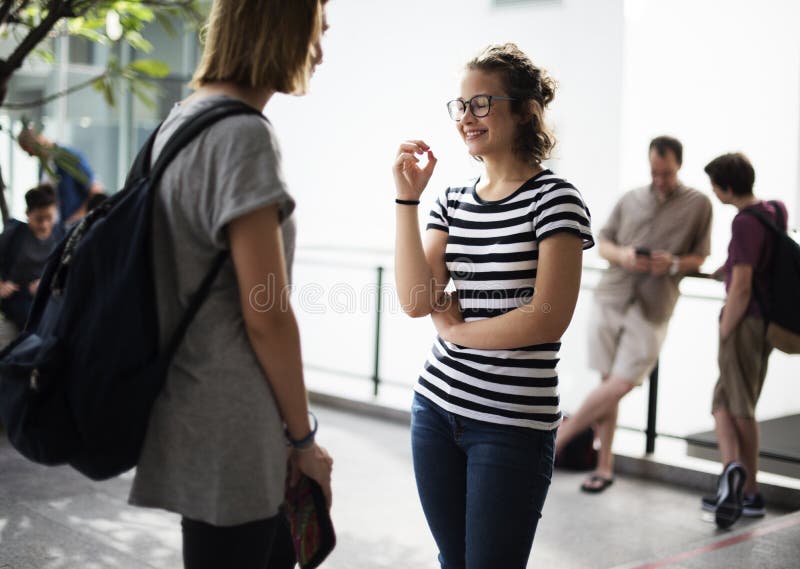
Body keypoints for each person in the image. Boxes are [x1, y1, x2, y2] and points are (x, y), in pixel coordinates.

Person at [127, 2, 333, 568]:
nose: (320, 51)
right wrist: (302, 440)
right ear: (283, 28)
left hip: (190, 403)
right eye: (318, 32)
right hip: (235, 424)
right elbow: (265, 313)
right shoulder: (242, 136)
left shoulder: (183, 119)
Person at [393, 43, 594, 568]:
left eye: (482, 103)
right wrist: (407, 200)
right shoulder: (452, 200)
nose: (466, 117)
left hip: (511, 426)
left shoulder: (555, 200)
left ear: (526, 110)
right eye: (460, 105)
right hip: (436, 411)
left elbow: (548, 317)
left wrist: (458, 333)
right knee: (452, 562)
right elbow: (417, 301)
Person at [555, 136, 713, 493]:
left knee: (622, 382)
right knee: (608, 382)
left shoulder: (699, 204)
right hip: (611, 296)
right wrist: (625, 256)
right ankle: (605, 467)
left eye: (667, 173)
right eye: (655, 172)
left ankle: (559, 439)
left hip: (654, 306)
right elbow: (602, 242)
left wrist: (672, 264)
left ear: (679, 166)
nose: (660, 179)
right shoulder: (630, 199)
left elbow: (700, 257)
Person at [700, 152, 788, 529]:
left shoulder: (742, 223)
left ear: (726, 187)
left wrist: (725, 328)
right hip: (766, 320)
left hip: (744, 323)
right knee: (723, 401)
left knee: (740, 406)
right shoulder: (774, 210)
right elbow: (753, 262)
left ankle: (748, 489)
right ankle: (731, 476)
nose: (714, 193)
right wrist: (723, 270)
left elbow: (744, 286)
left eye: (715, 186)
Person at [0, 184, 63, 331]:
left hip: (49, 296)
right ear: (28, 214)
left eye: (49, 218)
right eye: (39, 219)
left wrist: (47, 283)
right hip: (18, 297)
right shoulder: (14, 234)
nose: (45, 225)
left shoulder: (61, 236)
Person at [17, 127, 102, 225]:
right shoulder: (43, 166)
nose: (31, 155)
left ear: (38, 140)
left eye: (30, 151)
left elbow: (95, 191)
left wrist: (76, 218)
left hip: (73, 225)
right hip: (56, 230)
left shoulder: (68, 157)